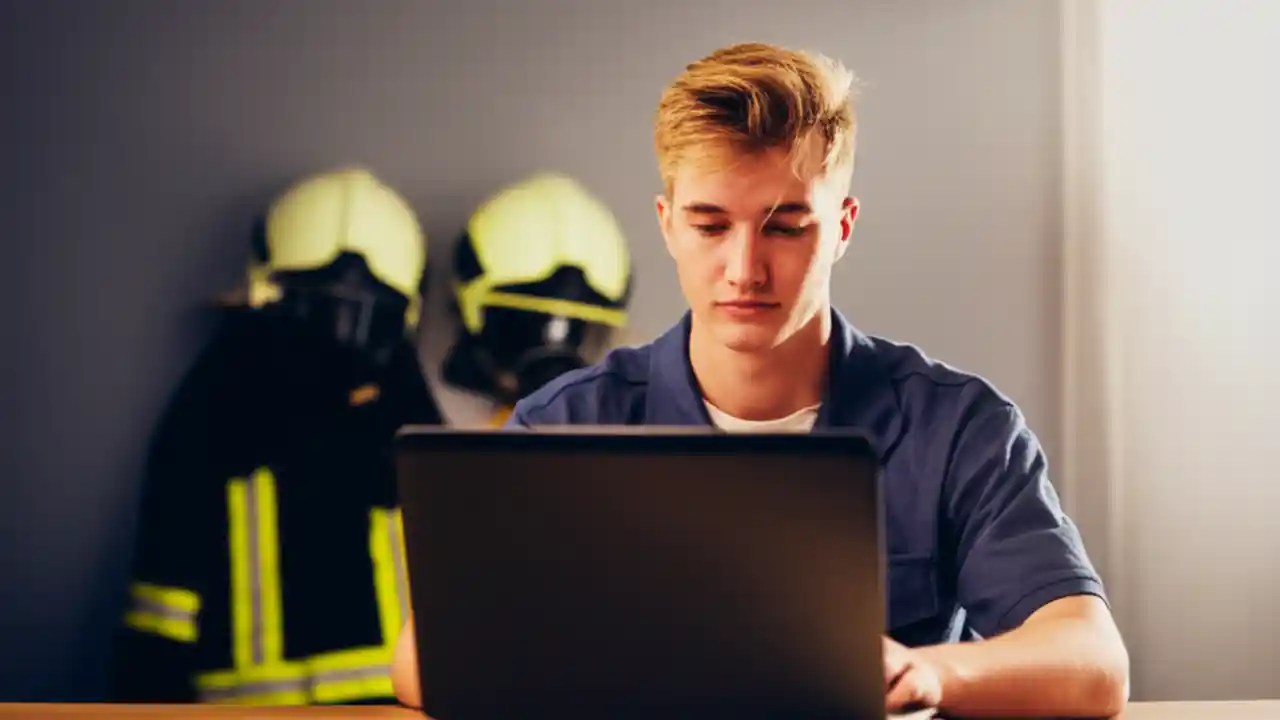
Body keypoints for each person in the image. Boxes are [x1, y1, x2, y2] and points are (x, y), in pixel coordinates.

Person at [392, 42, 1129, 717]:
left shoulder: (960, 427)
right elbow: (423, 661)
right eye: (711, 225)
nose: (744, 268)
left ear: (840, 226)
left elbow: (1094, 664)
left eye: (784, 226)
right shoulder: (561, 424)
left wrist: (929, 673)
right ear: (667, 223)